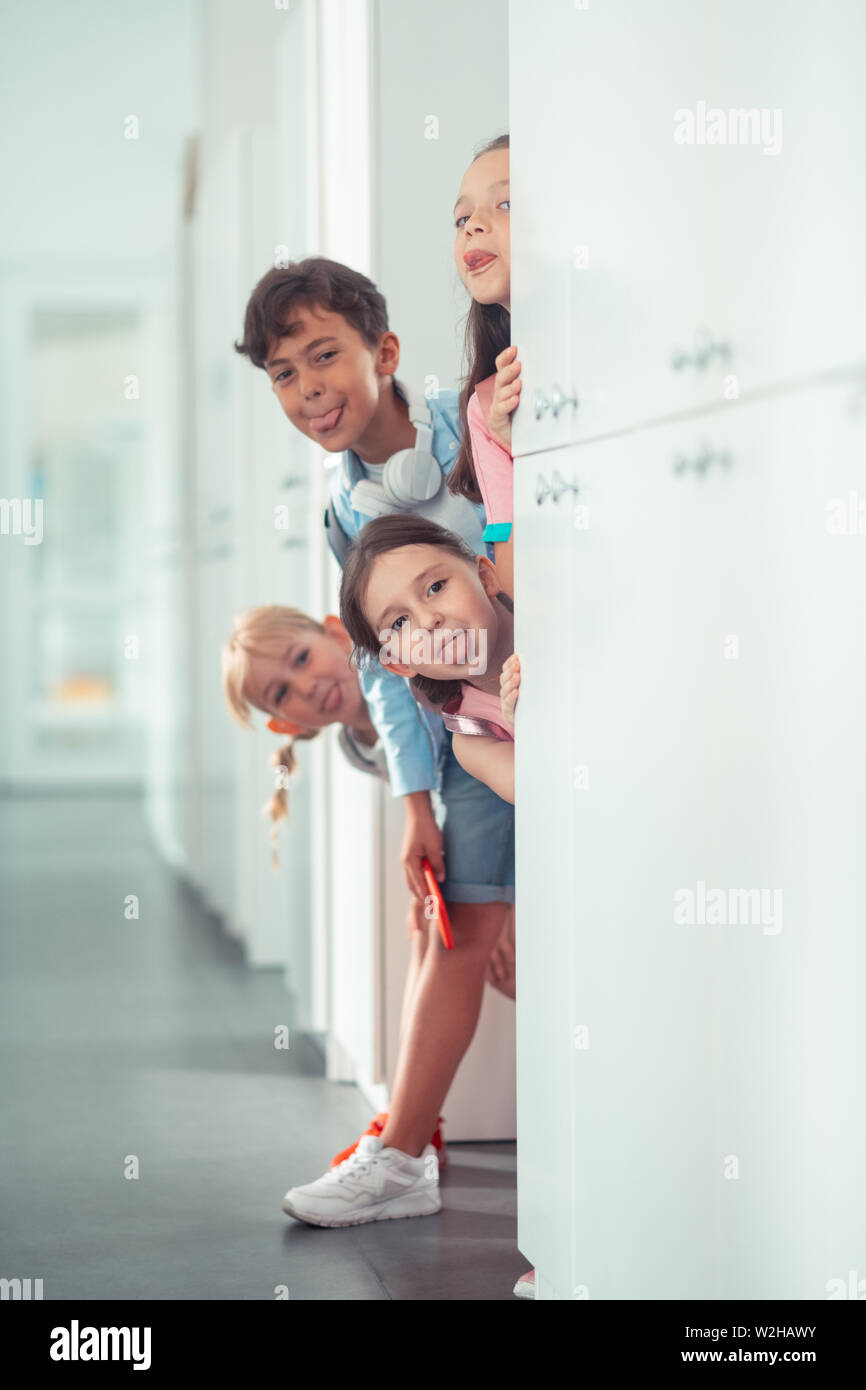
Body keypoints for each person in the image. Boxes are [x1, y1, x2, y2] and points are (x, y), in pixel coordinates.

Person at [233, 251, 516, 1232]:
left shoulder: (472, 419)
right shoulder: (344, 515)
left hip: (549, 672)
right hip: (472, 723)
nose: (309, 389)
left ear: (383, 350)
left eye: (324, 357)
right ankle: (404, 1148)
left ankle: (403, 1142)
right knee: (450, 923)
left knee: (472, 921)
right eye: (283, 374)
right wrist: (414, 808)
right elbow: (393, 675)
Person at [221, 604, 520, 1176]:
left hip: (505, 807)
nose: (308, 687)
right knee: (426, 924)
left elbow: (476, 789)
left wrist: (499, 910)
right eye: (283, 694)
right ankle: (415, 1120)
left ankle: (409, 1132)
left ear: (337, 634)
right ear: (288, 725)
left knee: (465, 941)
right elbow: (437, 812)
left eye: (303, 659)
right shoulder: (355, 746)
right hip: (483, 834)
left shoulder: (409, 684)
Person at [339, 515, 520, 805]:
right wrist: (528, 719)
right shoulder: (473, 739)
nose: (427, 621)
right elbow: (545, 796)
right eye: (399, 622)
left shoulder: (545, 605)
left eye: (435, 587)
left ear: (485, 578)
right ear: (400, 664)